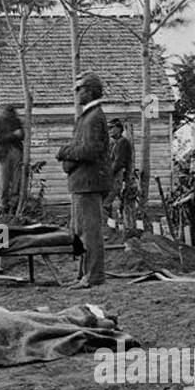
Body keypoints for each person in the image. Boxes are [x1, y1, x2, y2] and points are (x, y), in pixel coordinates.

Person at [55, 72, 111, 287]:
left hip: (89, 183)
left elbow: (90, 150)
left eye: (80, 88)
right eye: (76, 88)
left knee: (90, 232)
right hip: (81, 183)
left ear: (92, 90)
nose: (76, 93)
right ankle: (82, 274)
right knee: (79, 232)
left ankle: (93, 276)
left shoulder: (95, 117)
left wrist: (65, 152)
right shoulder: (87, 116)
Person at [0, 103, 25, 215]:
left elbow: (22, 135)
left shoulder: (17, 121)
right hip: (4, 153)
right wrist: (13, 135)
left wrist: (17, 135)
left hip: (16, 151)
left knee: (16, 180)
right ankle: (4, 205)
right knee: (5, 180)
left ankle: (14, 204)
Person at [105, 118, 134, 225]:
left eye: (112, 128)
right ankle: (111, 226)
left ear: (119, 128)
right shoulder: (112, 143)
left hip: (117, 176)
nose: (110, 130)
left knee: (106, 202)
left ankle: (109, 227)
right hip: (111, 175)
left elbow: (118, 163)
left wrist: (107, 174)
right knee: (107, 203)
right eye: (108, 128)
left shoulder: (123, 143)